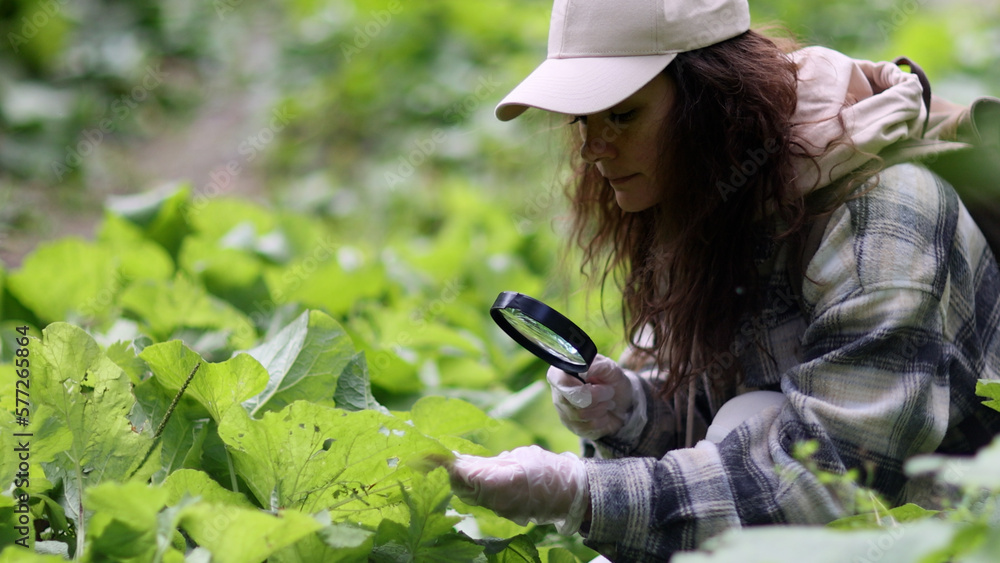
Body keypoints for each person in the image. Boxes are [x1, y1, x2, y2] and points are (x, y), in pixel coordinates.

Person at [442, 0, 1000, 560]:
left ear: (712, 98)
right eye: (581, 118)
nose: (592, 149)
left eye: (621, 114)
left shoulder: (880, 219)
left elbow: (834, 482)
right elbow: (718, 426)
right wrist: (631, 410)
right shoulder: (713, 189)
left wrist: (578, 495)